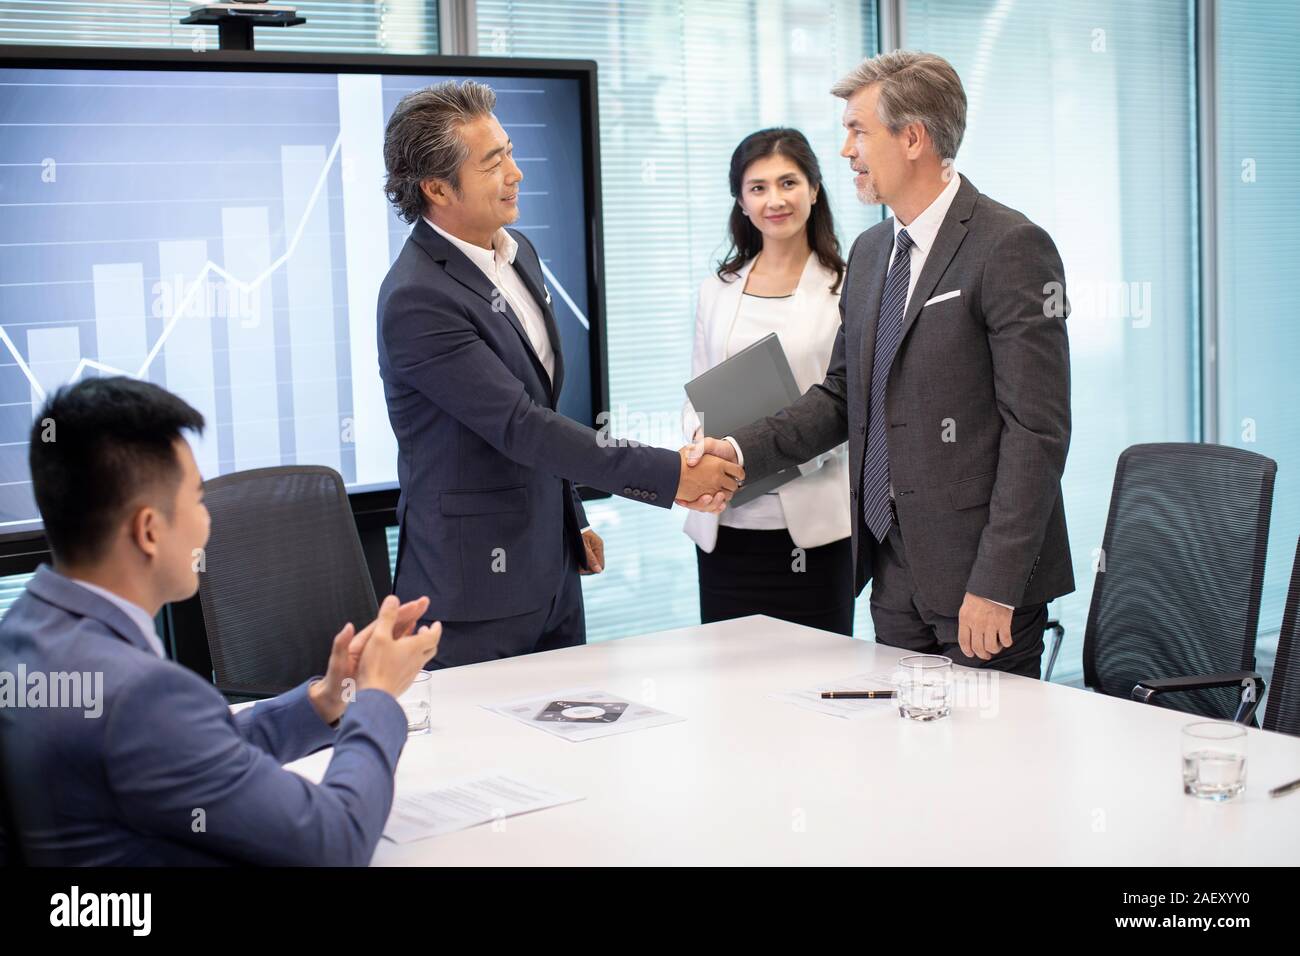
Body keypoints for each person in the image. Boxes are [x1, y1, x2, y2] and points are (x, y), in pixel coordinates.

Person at [685, 51, 1074, 676]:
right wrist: (739, 449)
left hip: (980, 584)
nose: (845, 151)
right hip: (892, 577)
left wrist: (997, 585)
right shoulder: (872, 252)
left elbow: (1037, 432)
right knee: (906, 764)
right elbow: (842, 396)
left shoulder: (1009, 247)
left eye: (857, 130)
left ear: (913, 137)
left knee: (993, 768)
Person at [0, 377, 440, 865]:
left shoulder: (24, 631)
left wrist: (325, 700)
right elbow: (333, 842)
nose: (206, 522)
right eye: (197, 500)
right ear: (149, 530)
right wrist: (376, 698)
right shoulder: (137, 696)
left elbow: (183, 754)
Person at [378, 80, 742, 668]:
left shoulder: (518, 251)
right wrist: (670, 475)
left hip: (551, 569)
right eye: (493, 163)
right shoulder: (417, 299)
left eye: (511, 152)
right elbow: (520, 426)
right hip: (474, 590)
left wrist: (570, 518)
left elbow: (537, 405)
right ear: (437, 187)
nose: (516, 173)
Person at [684, 128, 854, 635]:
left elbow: (847, 403)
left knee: (816, 686)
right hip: (726, 531)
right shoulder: (718, 288)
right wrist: (702, 452)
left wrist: (763, 458)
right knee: (732, 689)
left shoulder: (846, 287)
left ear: (815, 190)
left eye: (788, 183)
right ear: (740, 199)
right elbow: (697, 385)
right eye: (757, 187)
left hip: (813, 531)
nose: (774, 200)